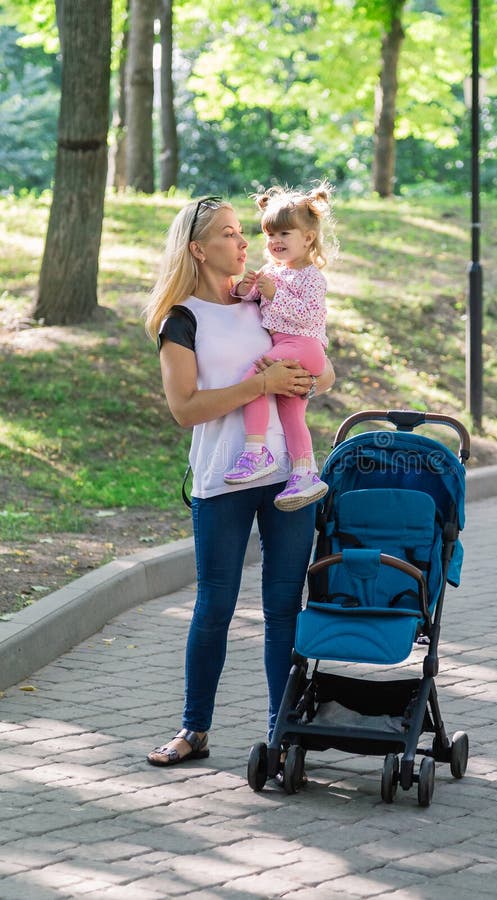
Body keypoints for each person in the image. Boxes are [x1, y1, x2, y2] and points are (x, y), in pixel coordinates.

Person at [143, 196, 335, 767]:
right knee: (215, 607)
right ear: (199, 249)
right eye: (229, 234)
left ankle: (282, 735)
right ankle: (193, 729)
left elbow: (321, 369)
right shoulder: (181, 320)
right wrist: (262, 385)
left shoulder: (265, 298)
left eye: (241, 231)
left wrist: (308, 378)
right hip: (221, 480)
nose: (244, 241)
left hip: (287, 480)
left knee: (283, 609)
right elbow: (185, 408)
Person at [224, 182, 336, 512]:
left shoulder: (311, 277)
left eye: (285, 234)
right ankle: (305, 474)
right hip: (288, 345)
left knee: (254, 378)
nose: (276, 242)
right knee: (290, 413)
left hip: (304, 346)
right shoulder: (273, 272)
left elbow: (308, 316)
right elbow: (257, 299)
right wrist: (246, 290)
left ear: (308, 238)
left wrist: (275, 293)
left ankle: (256, 452)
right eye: (271, 235)